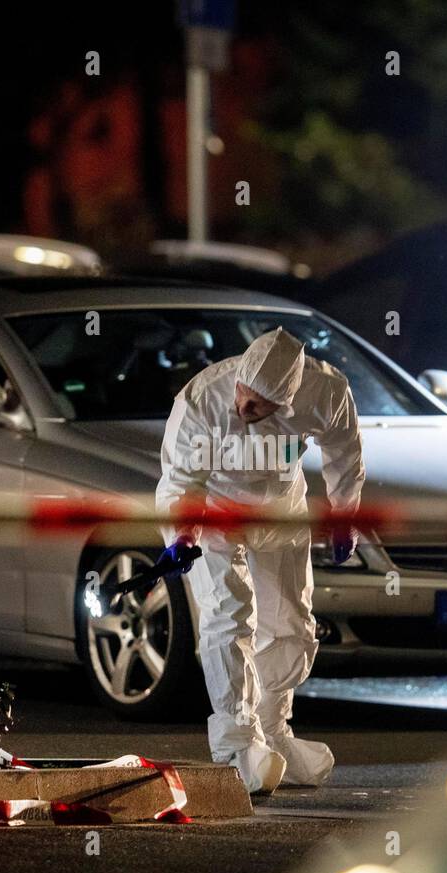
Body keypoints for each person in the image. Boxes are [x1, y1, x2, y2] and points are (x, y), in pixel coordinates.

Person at [156, 327, 365, 793]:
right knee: (228, 616)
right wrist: (182, 533)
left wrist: (342, 517)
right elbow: (180, 477)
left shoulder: (327, 393)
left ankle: (272, 730)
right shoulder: (204, 398)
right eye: (242, 397)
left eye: (257, 407)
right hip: (213, 508)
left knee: (290, 622)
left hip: (280, 508)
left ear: (287, 403)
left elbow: (344, 455)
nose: (242, 409)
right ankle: (237, 742)